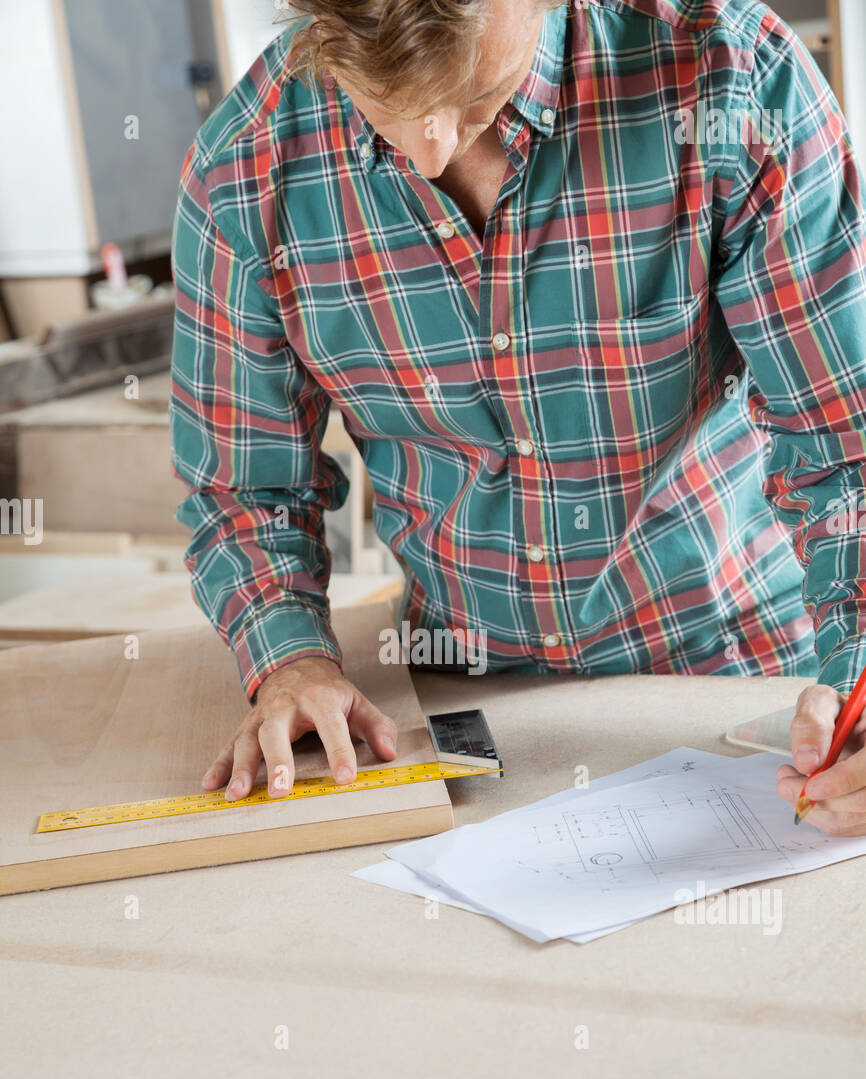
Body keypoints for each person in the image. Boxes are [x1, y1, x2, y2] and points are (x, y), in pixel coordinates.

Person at [170, 0, 866, 833]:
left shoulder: (729, 81)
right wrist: (291, 660)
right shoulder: (244, 167)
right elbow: (246, 490)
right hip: (462, 704)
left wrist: (862, 668)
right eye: (378, 102)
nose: (430, 148)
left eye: (473, 95)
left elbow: (844, 450)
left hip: (739, 682)